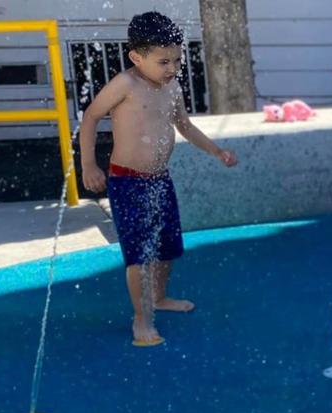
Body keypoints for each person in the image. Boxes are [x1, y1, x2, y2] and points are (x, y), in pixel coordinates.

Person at [79, 11, 238, 345]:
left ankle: (159, 297)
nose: (172, 68)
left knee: (167, 247)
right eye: (163, 62)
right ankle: (141, 318)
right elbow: (91, 117)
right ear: (136, 57)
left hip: (159, 180)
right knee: (139, 255)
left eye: (177, 60)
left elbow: (185, 126)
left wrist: (216, 151)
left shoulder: (172, 87)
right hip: (127, 182)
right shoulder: (125, 84)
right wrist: (89, 165)